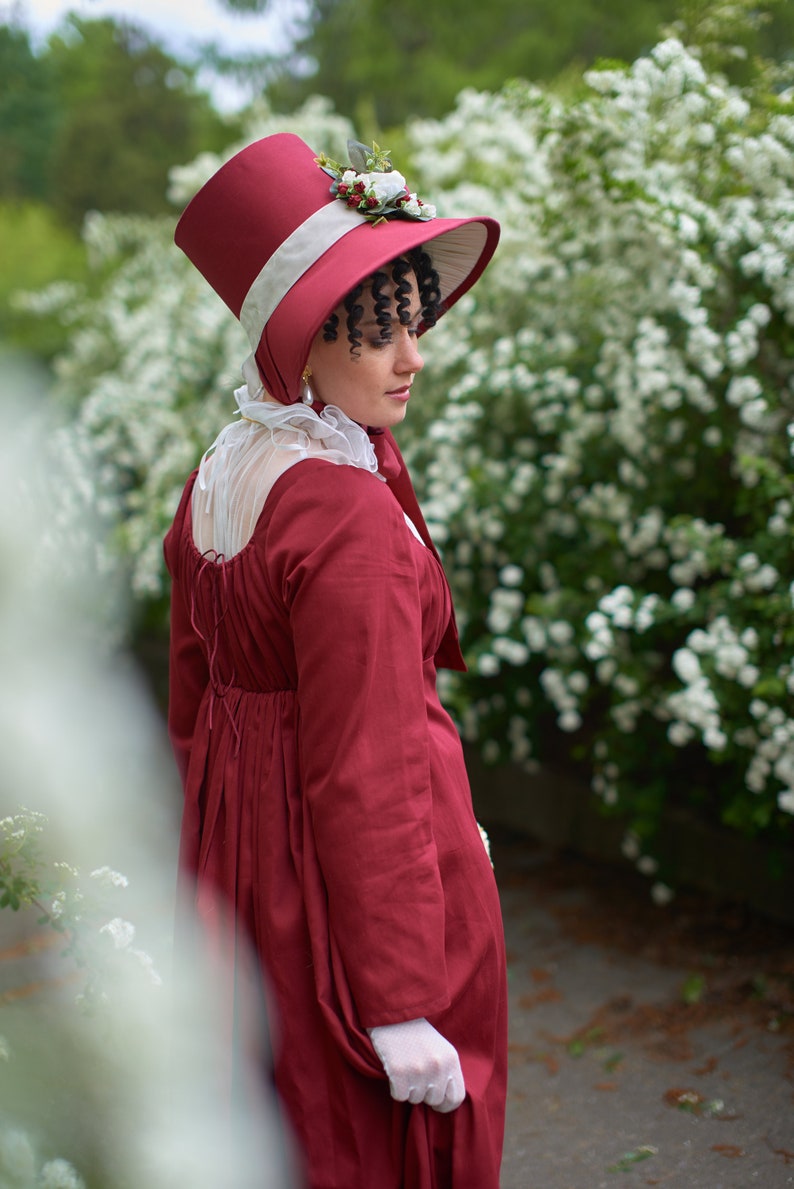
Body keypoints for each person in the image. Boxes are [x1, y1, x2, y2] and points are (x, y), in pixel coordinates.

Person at [164, 133, 507, 1189]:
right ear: (302, 342)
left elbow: (192, 705)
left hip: (240, 865)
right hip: (341, 887)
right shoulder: (341, 512)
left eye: (411, 320)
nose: (411, 357)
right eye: (374, 332)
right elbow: (367, 763)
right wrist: (400, 995)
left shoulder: (223, 473)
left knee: (269, 1124)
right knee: (360, 1142)